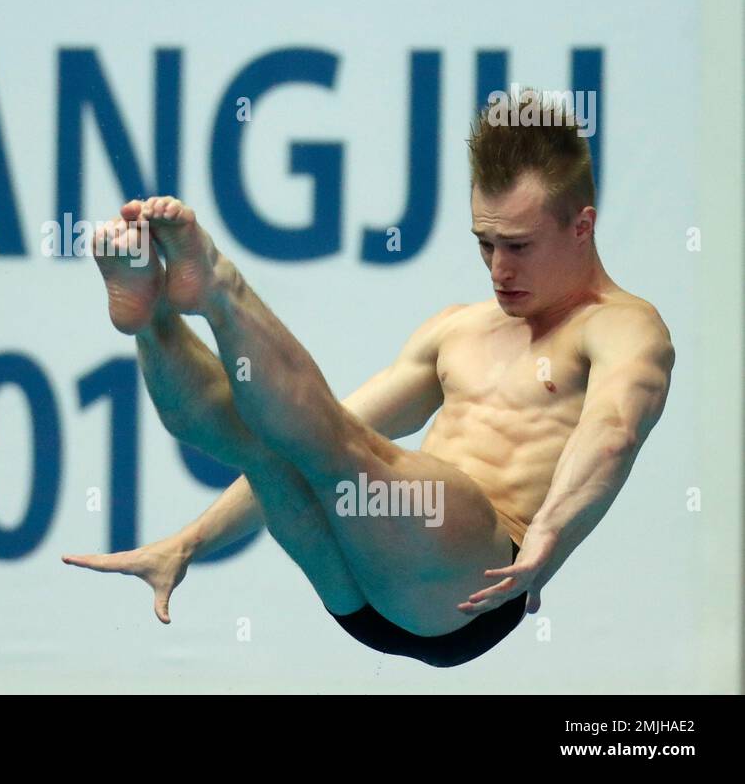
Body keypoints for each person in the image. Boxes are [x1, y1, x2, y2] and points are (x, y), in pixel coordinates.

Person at [62, 89, 675, 667]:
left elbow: (613, 432)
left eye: (517, 244)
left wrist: (547, 540)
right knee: (271, 444)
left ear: (582, 226)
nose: (498, 267)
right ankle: (155, 322)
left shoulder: (623, 327)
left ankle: (220, 286)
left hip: (479, 582)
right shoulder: (459, 330)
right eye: (484, 243)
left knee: (349, 450)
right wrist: (189, 543)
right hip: (367, 599)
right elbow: (325, 427)